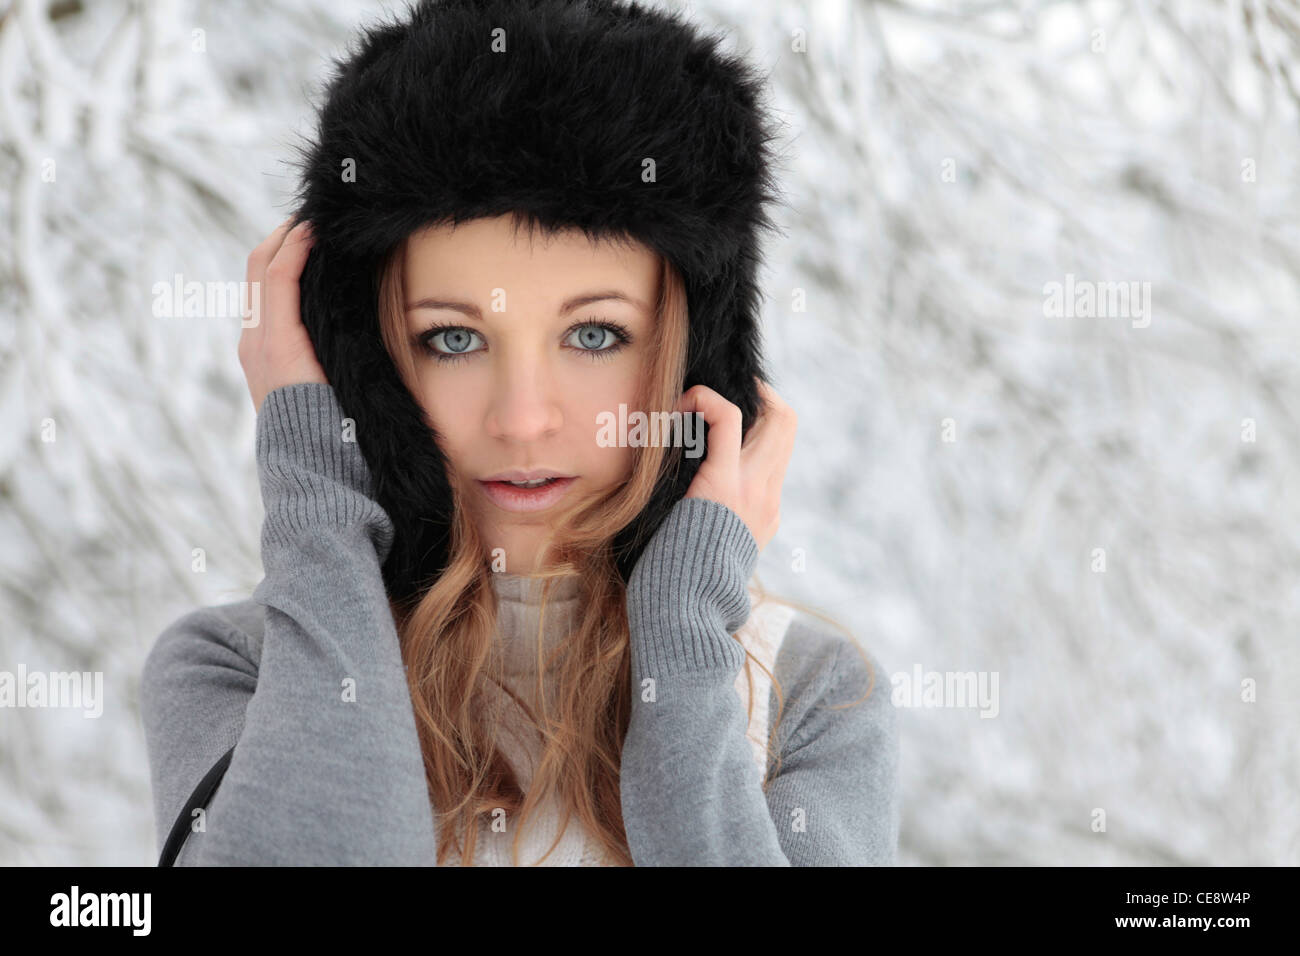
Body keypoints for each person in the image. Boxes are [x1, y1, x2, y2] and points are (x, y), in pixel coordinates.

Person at [140, 0, 899, 866]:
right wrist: (317, 492)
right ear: (366, 367)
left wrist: (683, 637)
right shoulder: (235, 667)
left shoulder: (809, 694)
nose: (524, 418)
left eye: (595, 335)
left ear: (693, 364)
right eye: (453, 339)